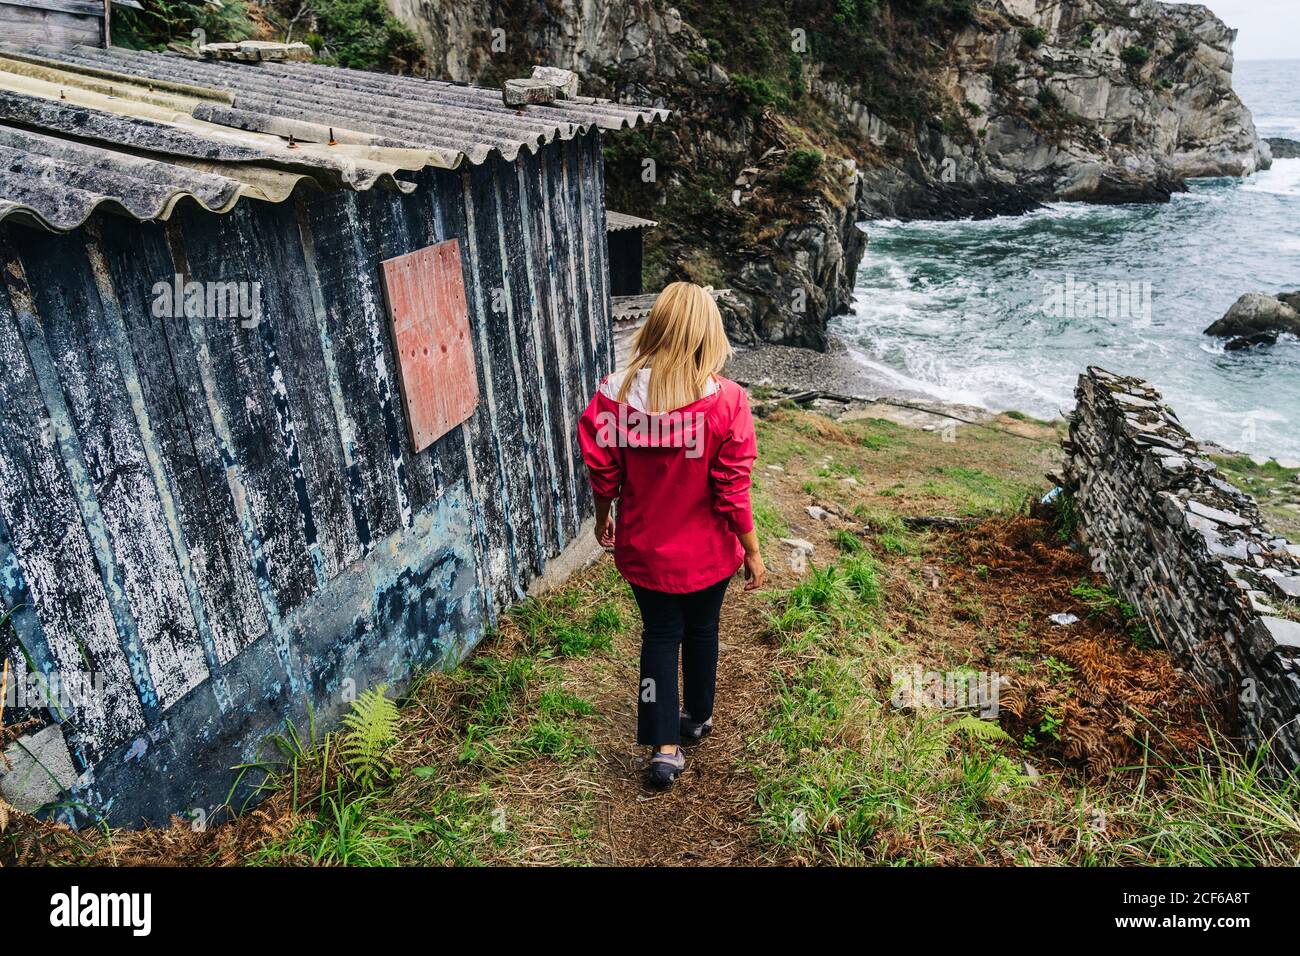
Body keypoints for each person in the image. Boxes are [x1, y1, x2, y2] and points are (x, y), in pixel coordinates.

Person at [577, 281, 764, 789]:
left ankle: (664, 748)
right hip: (708, 554)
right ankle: (698, 716)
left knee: (660, 636)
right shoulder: (727, 402)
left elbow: (604, 474)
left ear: (654, 326)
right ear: (709, 334)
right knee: (703, 629)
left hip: (645, 551)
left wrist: (601, 520)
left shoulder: (613, 398)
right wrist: (752, 550)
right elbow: (732, 490)